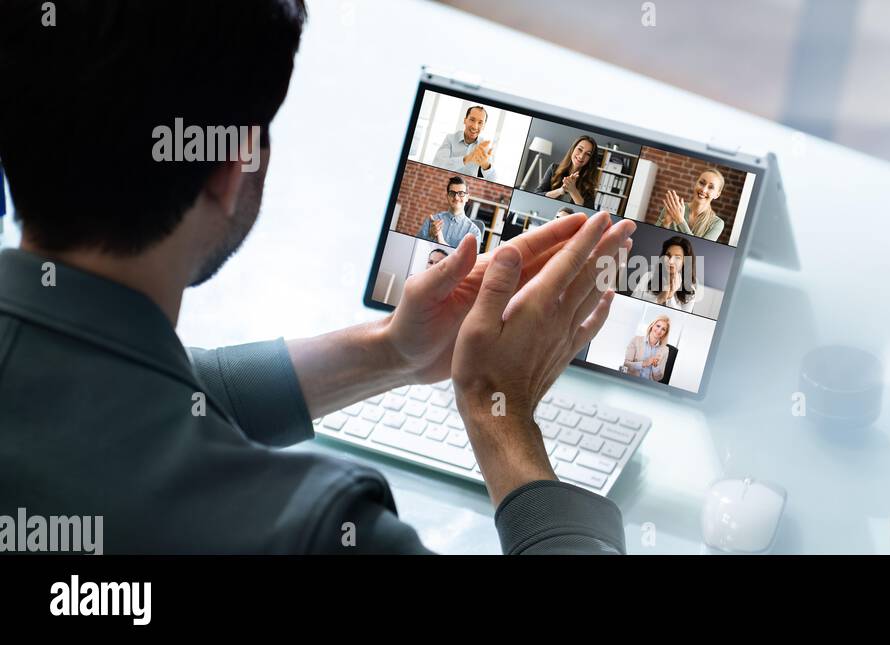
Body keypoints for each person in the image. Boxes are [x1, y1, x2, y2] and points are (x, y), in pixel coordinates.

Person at [0, 0, 638, 555]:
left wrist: (391, 351)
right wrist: (498, 409)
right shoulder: (313, 529)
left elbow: (113, 395)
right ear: (230, 170)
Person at [654, 168, 726, 242]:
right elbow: (654, 238)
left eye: (711, 187)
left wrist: (680, 221)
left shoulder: (716, 223)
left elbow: (699, 249)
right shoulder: (673, 208)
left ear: (717, 195)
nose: (704, 190)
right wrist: (666, 224)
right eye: (701, 183)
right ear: (695, 183)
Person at [630, 235, 697, 313]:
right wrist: (661, 298)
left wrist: (670, 296)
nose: (670, 261)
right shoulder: (648, 277)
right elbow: (632, 306)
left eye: (677, 257)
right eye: (668, 255)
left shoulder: (690, 291)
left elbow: (681, 320)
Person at [431, 105, 496, 180]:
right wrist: (467, 158)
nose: (475, 126)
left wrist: (486, 165)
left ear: (484, 126)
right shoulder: (450, 139)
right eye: (472, 120)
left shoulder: (484, 146)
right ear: (465, 120)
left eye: (480, 123)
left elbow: (493, 179)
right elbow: (437, 165)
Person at [417, 176, 484, 249]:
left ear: (467, 197)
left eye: (461, 193)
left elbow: (468, 260)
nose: (456, 197)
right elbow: (417, 247)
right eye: (452, 193)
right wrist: (430, 236)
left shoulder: (474, 232)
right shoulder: (432, 221)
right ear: (447, 196)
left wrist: (442, 242)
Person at [537, 135, 598, 207]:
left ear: (590, 159)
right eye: (580, 149)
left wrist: (573, 190)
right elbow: (537, 195)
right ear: (573, 149)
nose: (581, 156)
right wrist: (560, 191)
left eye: (587, 154)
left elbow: (588, 213)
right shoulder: (554, 168)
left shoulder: (589, 182)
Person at [622, 315, 672, 382]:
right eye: (658, 326)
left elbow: (659, 378)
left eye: (663, 329)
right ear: (652, 325)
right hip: (631, 381)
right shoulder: (636, 340)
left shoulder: (665, 350)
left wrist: (655, 366)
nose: (659, 330)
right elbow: (626, 364)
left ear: (665, 333)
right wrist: (644, 363)